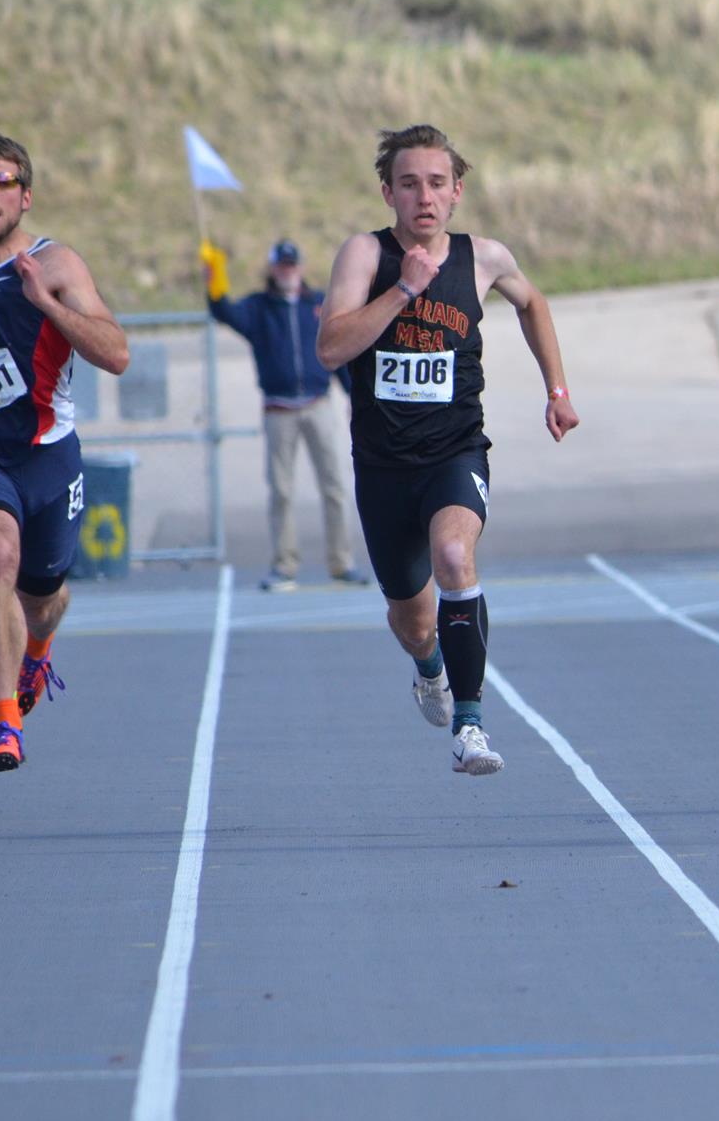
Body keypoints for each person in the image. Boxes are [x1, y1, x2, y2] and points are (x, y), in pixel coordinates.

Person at [317, 125, 579, 776]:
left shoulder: (483, 258)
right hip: (383, 467)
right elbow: (331, 348)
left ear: (457, 192)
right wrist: (403, 289)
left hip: (455, 451)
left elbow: (533, 302)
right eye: (409, 184)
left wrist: (557, 388)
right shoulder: (364, 257)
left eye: (437, 183)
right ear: (388, 193)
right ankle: (429, 668)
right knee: (412, 621)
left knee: (456, 556)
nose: (423, 197)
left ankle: (471, 724)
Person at [0, 133, 131, 770]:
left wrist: (45, 304)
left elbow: (116, 353)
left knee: (42, 595)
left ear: (25, 195)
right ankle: (6, 723)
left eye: (2, 183)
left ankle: (39, 650)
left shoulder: (54, 264)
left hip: (48, 456)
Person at [206, 237, 366, 592]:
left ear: (301, 268)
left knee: (335, 487)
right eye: (282, 266)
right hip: (279, 410)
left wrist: (353, 394)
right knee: (281, 490)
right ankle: (285, 565)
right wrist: (214, 276)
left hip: (318, 405)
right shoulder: (258, 308)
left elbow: (336, 352)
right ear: (273, 269)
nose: (288, 272)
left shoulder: (318, 304)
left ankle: (342, 563)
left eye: (292, 265)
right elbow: (223, 311)